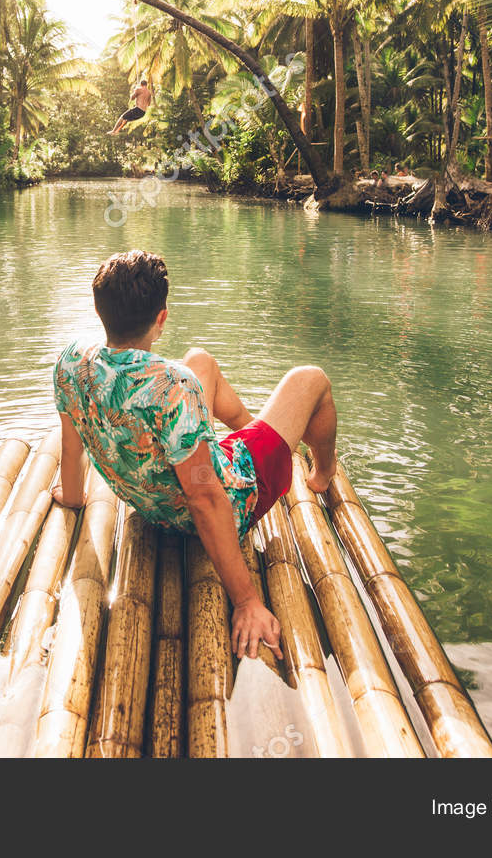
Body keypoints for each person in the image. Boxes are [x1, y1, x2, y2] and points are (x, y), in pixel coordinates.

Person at [51, 249, 339, 659]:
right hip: (230, 496)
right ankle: (323, 473)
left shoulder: (72, 363)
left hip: (153, 502)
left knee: (201, 360)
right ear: (161, 318)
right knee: (311, 379)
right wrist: (246, 602)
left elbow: (71, 443)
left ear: (100, 311)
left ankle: (261, 429)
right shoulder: (172, 385)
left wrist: (74, 497)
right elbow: (205, 499)